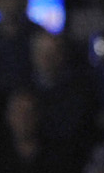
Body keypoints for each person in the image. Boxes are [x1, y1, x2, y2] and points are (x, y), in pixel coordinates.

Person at [24, 27, 97, 159]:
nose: (47, 58)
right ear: (33, 55)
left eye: (53, 52)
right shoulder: (22, 91)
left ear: (62, 55)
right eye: (42, 52)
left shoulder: (79, 93)